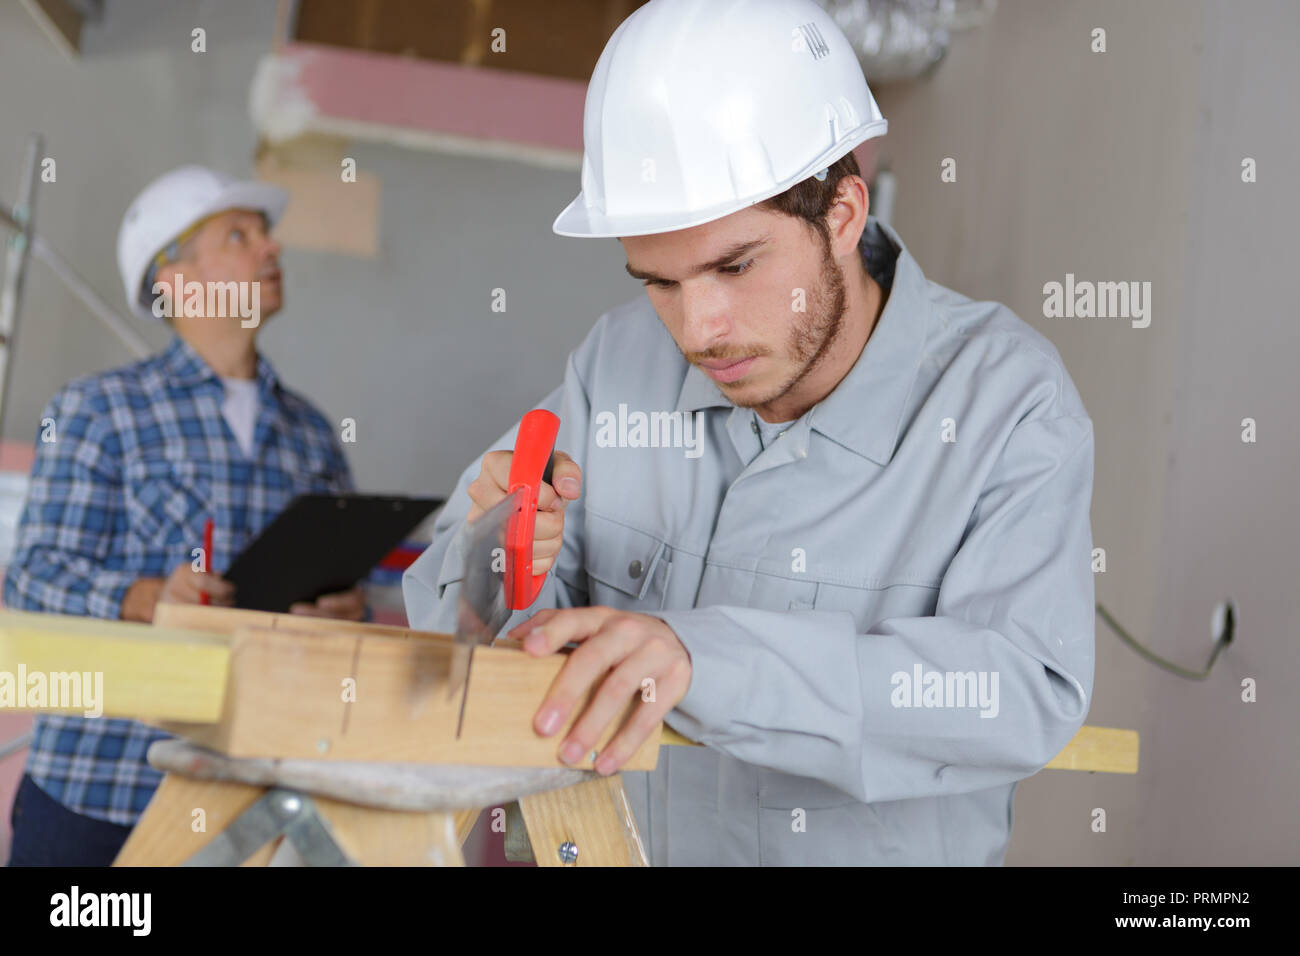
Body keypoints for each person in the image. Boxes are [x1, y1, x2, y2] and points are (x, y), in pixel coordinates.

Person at [404, 0, 1095, 865]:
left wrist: (709, 660)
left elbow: (1021, 693)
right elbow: (469, 637)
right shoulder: (618, 364)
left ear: (843, 213)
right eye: (659, 281)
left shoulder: (1005, 401)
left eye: (735, 266)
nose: (699, 330)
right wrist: (495, 566)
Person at [5, 165, 363, 866]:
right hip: (99, 788)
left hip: (246, 798)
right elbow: (34, 579)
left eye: (268, 235)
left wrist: (345, 614)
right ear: (171, 278)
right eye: (240, 235)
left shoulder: (314, 435)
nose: (271, 249)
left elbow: (344, 600)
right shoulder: (99, 409)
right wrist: (147, 598)